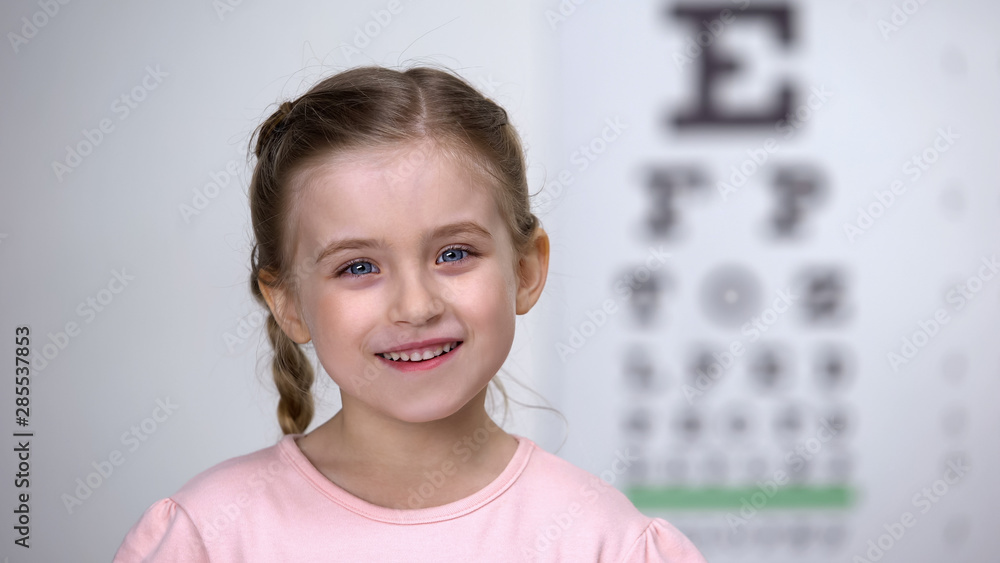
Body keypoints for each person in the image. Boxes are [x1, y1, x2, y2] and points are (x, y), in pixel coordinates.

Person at [113, 65, 707, 562]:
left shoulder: (608, 544)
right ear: (288, 303)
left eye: (454, 254)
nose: (416, 306)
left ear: (525, 270)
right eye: (358, 267)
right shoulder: (207, 536)